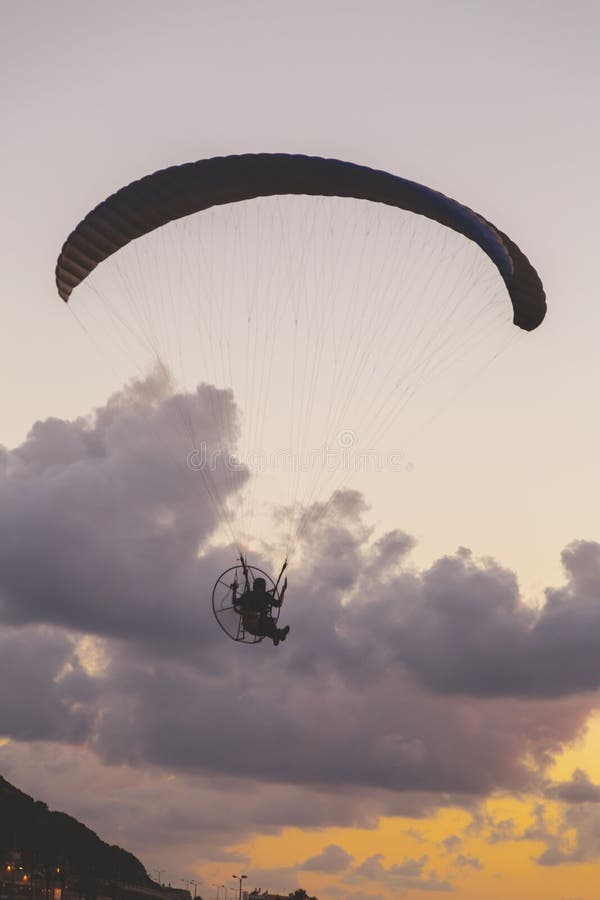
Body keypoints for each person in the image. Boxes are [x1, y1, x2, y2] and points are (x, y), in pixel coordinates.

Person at [231, 565, 290, 646]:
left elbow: (234, 602)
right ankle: (277, 635)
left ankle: (277, 636)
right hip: (256, 625)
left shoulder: (249, 595)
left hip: (254, 628)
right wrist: (283, 590)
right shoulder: (263, 596)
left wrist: (234, 589)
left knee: (269, 623)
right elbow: (278, 604)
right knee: (268, 622)